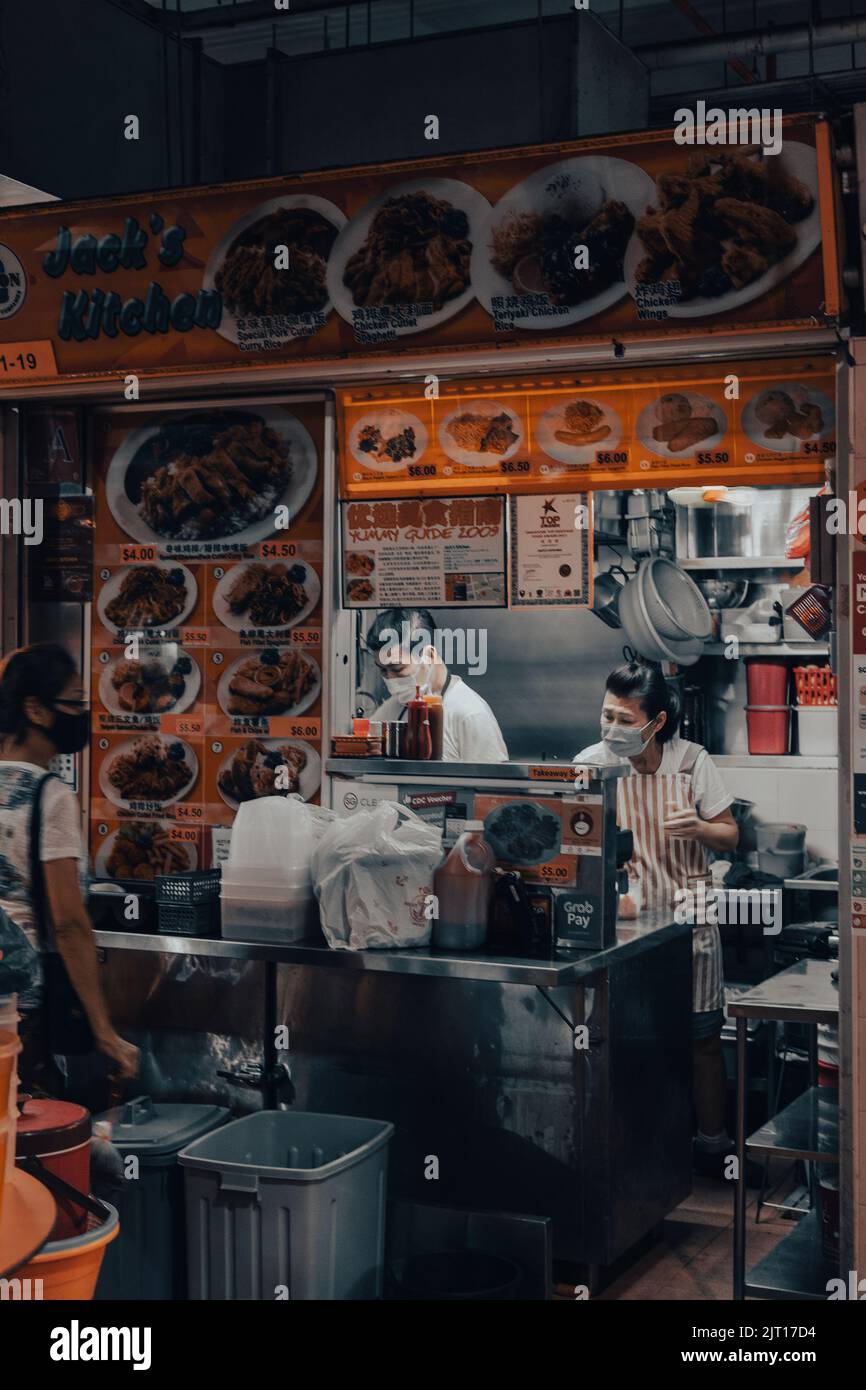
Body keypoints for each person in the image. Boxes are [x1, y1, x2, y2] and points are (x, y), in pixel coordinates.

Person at [573, 660, 739, 1177]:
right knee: (629, 1042)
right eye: (607, 715)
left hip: (689, 917)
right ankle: (635, 1149)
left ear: (657, 722)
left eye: (625, 719)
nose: (612, 729)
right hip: (623, 924)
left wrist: (699, 827)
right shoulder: (590, 764)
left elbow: (730, 834)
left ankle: (712, 1147)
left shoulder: (692, 763)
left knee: (703, 1039)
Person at [0, 644, 139, 1094]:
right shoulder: (50, 796)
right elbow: (69, 925)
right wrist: (103, 1031)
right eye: (74, 703)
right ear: (36, 710)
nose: (82, 715)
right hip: (20, 1008)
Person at [366, 607, 508, 762]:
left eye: (397, 668)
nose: (390, 679)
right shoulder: (395, 707)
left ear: (429, 655)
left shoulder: (470, 714)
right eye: (383, 670)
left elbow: (494, 784)